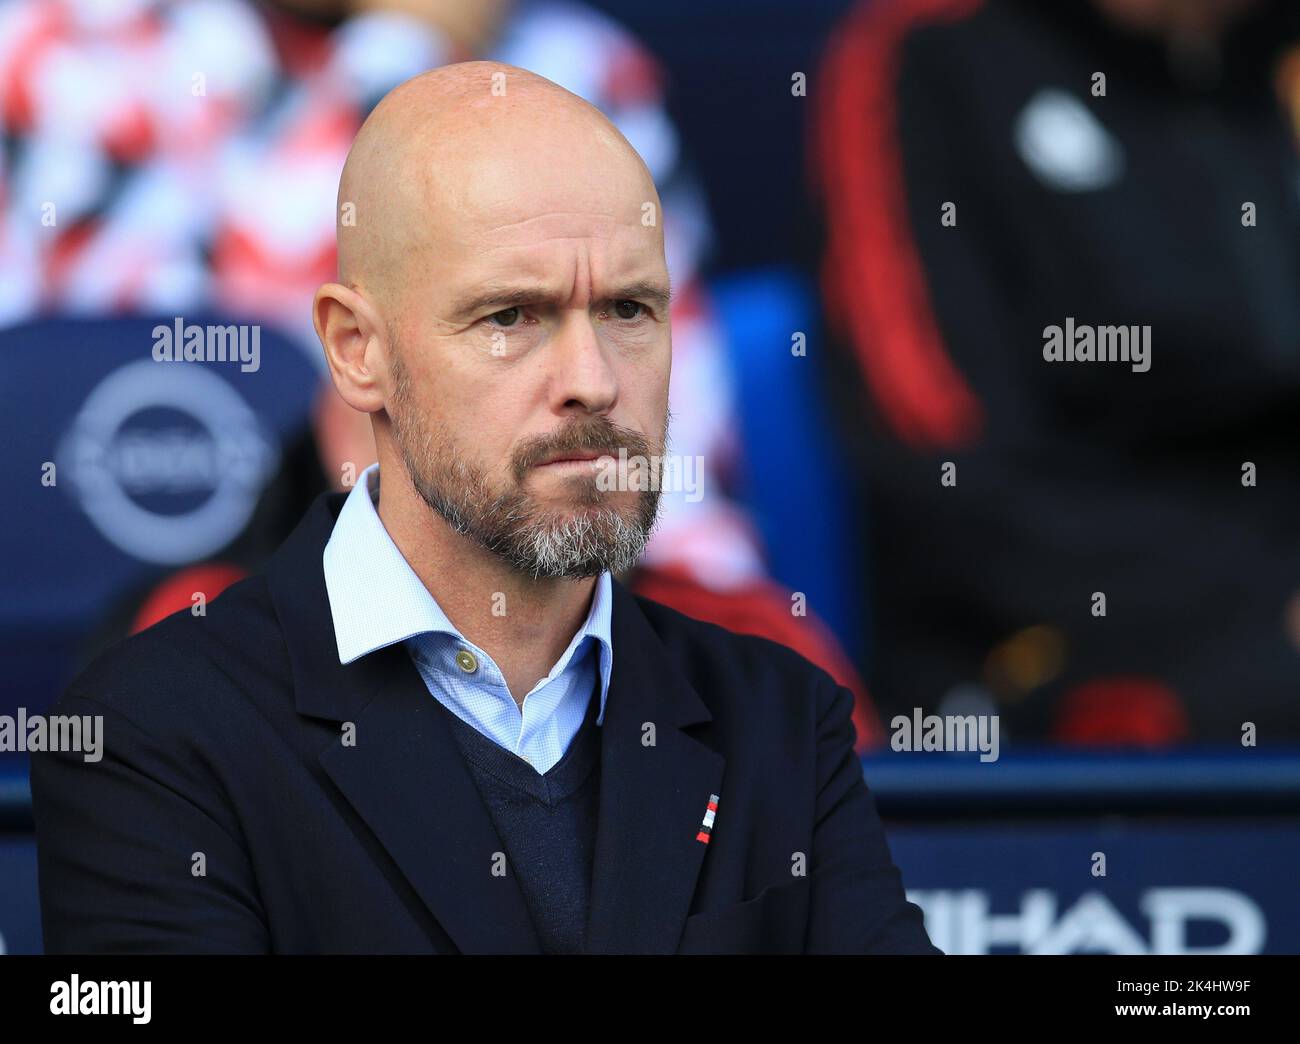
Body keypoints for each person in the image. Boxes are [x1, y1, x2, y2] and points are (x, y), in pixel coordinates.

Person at [30, 62, 938, 955]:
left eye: (630, 309)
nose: (592, 382)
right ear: (357, 352)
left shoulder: (778, 716)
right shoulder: (158, 729)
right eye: (511, 317)